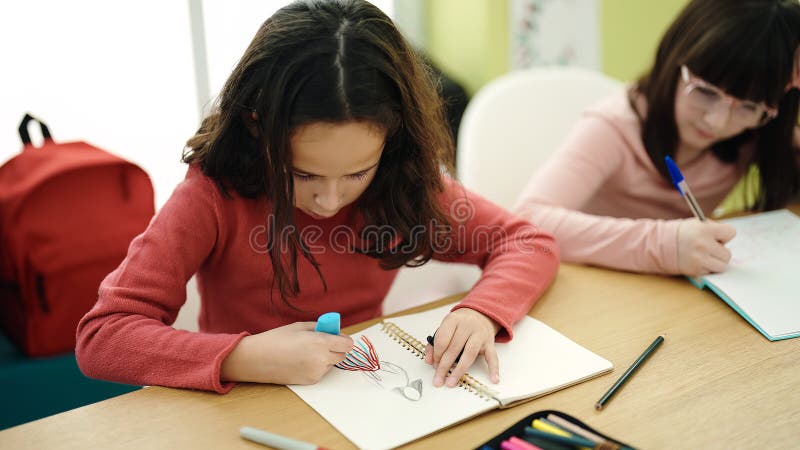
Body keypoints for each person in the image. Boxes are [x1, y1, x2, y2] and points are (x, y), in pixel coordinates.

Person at [75, 0, 559, 394]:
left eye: (355, 173)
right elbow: (103, 336)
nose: (329, 200)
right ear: (256, 125)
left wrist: (481, 310)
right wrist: (242, 356)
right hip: (241, 403)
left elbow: (528, 243)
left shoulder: (401, 179)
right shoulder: (212, 195)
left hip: (365, 393)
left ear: (391, 140)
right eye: (301, 174)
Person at [514, 0, 800, 277]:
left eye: (748, 107)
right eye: (705, 92)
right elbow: (528, 221)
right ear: (674, 61)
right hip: (591, 286)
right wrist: (664, 245)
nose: (717, 122)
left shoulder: (758, 130)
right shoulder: (615, 126)